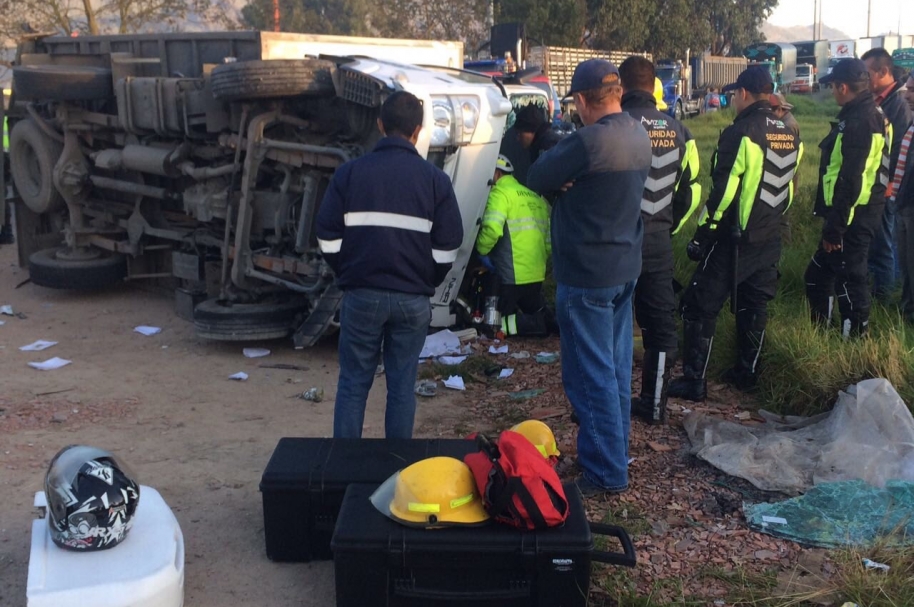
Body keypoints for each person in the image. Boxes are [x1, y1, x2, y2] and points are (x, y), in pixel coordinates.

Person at [526, 59, 652, 496]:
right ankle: (611, 456)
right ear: (616, 94)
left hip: (587, 274)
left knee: (588, 376)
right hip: (624, 269)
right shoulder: (639, 133)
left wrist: (564, 179)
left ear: (580, 100)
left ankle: (605, 473)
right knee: (614, 372)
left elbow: (538, 175)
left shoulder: (588, 142)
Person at [316, 91, 464, 439]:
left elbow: (326, 236)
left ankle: (345, 472)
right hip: (412, 300)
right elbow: (448, 245)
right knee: (401, 386)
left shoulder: (349, 174)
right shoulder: (435, 180)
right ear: (418, 130)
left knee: (353, 383)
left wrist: (348, 272)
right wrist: (424, 278)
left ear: (380, 124)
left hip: (361, 294)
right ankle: (395, 471)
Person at [668, 65, 801, 401]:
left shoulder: (740, 132)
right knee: (754, 304)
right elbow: (788, 191)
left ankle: (694, 382)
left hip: (736, 238)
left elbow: (724, 192)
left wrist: (702, 236)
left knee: (699, 303)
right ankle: (746, 373)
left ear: (743, 93)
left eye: (733, 95)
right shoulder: (789, 132)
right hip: (770, 236)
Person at [619, 56, 701, 424]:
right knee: (660, 323)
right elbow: (692, 193)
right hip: (658, 240)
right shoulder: (681, 131)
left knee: (610, 319)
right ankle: (653, 406)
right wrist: (668, 226)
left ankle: (610, 403)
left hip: (617, 239)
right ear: (654, 87)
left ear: (621, 86)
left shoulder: (616, 126)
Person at [804, 59, 892, 338]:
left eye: (832, 86)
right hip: (854, 213)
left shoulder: (860, 120)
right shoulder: (870, 113)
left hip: (853, 216)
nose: (832, 92)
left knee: (850, 281)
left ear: (843, 87)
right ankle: (823, 334)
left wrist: (836, 226)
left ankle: (854, 346)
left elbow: (851, 179)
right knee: (819, 277)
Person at [476, 154, 553, 336]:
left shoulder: (500, 194)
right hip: (535, 273)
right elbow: (549, 240)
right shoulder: (534, 196)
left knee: (495, 323)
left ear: (496, 174)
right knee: (532, 309)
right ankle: (542, 322)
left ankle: (512, 327)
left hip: (510, 276)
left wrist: (480, 251)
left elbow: (492, 229)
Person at [861, 48, 912, 301]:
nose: (864, 79)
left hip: (889, 187)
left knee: (885, 244)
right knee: (879, 241)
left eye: (867, 73)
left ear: (883, 72)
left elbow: (900, 148)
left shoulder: (899, 105)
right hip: (879, 185)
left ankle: (884, 294)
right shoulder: (880, 101)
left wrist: (891, 182)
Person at [886, 73, 914, 323]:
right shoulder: (912, 124)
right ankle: (907, 310)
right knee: (905, 263)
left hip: (909, 204)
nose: (907, 95)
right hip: (903, 203)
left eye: (913, 91)